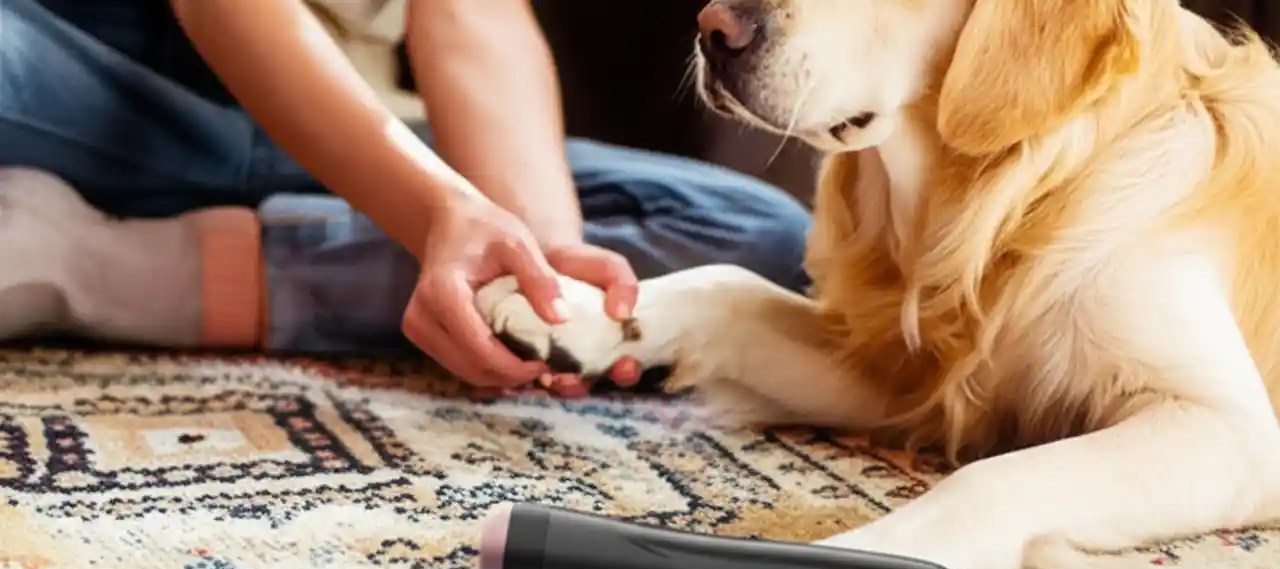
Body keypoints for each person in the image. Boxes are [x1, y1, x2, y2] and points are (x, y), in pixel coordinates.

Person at [0, 0, 811, 396]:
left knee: (769, 241)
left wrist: (543, 269)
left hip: (355, 127)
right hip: (89, 83)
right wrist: (430, 211)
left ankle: (103, 264)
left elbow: (469, 13)